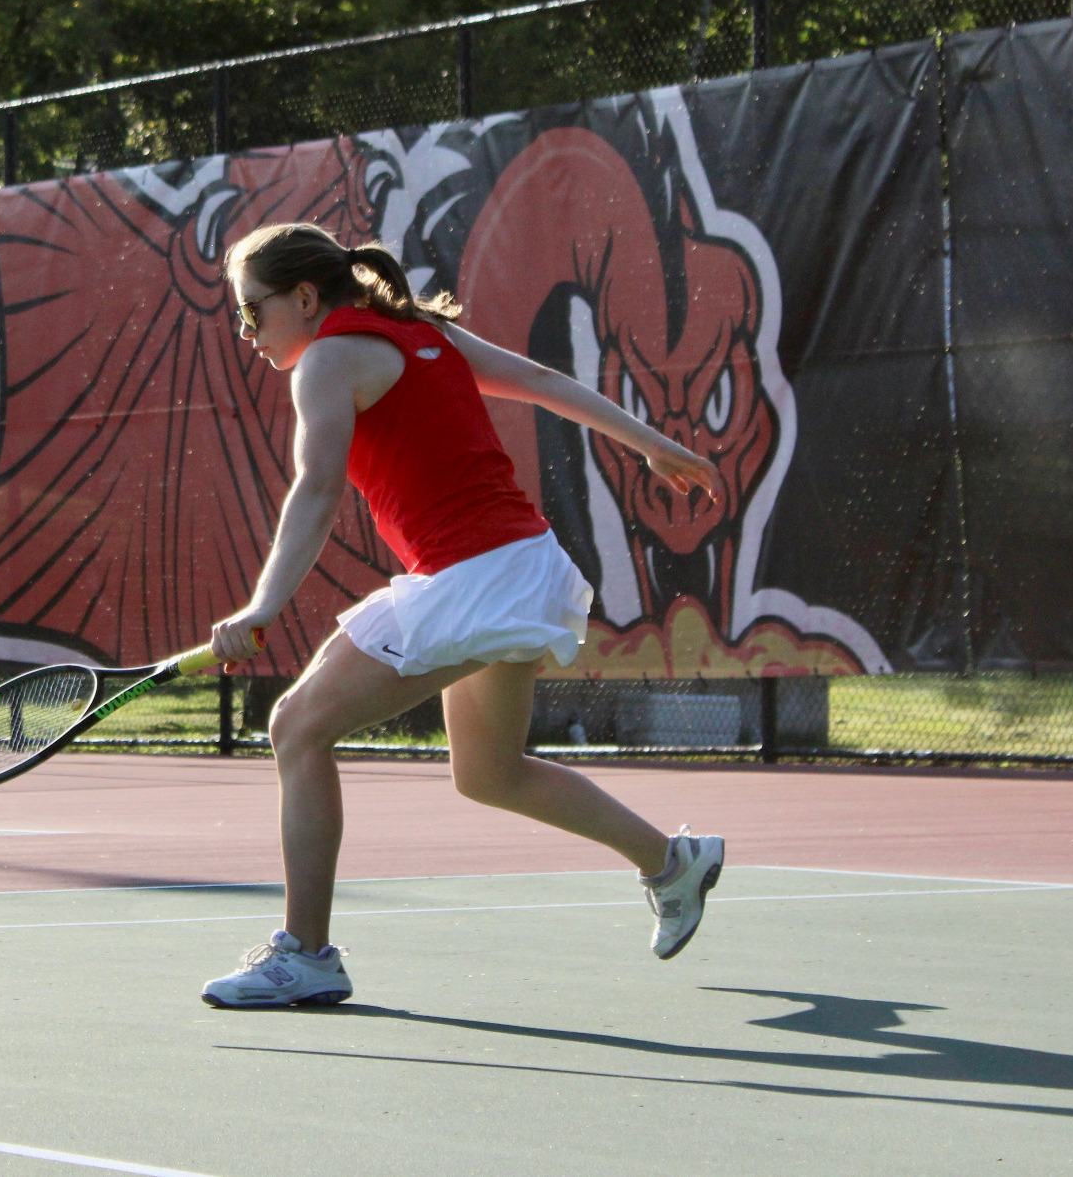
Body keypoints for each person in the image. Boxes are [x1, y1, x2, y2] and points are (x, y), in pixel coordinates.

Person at [199, 223, 727, 1009]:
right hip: (521, 569)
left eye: (253, 311)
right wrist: (649, 442)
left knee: (297, 728)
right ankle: (671, 863)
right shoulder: (423, 333)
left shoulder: (328, 361)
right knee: (490, 774)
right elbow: (542, 379)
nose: (248, 333)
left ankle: (305, 955)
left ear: (305, 298)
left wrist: (262, 605)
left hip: (479, 578)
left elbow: (317, 488)